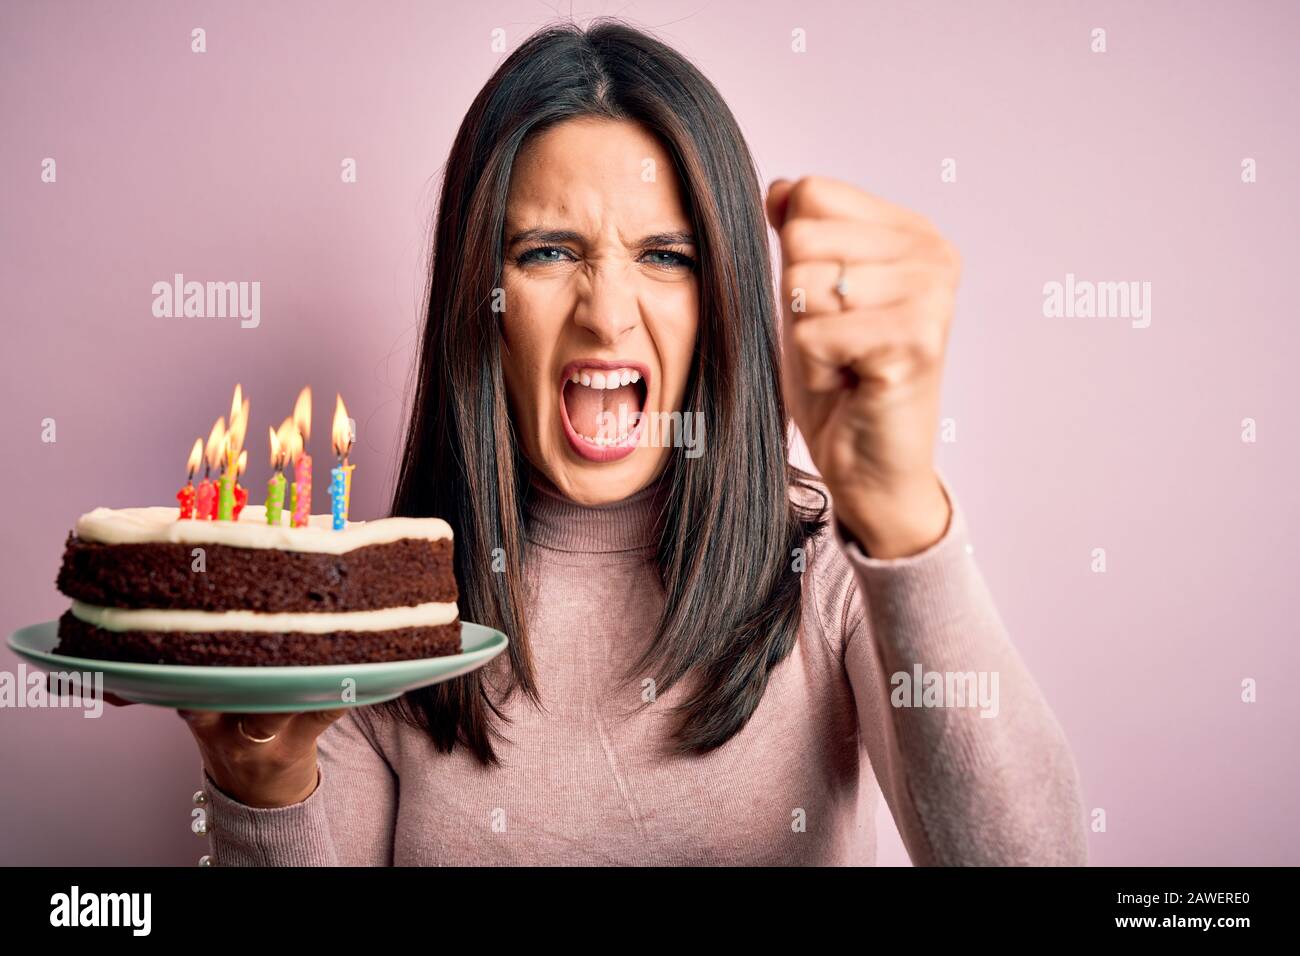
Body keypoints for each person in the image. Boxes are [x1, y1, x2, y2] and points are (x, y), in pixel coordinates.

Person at [181, 19, 1087, 866]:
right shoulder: (381, 620)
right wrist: (259, 790)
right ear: (483, 306)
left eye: (666, 256)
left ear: (722, 301)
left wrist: (900, 518)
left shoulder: (831, 571)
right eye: (544, 252)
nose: (607, 314)